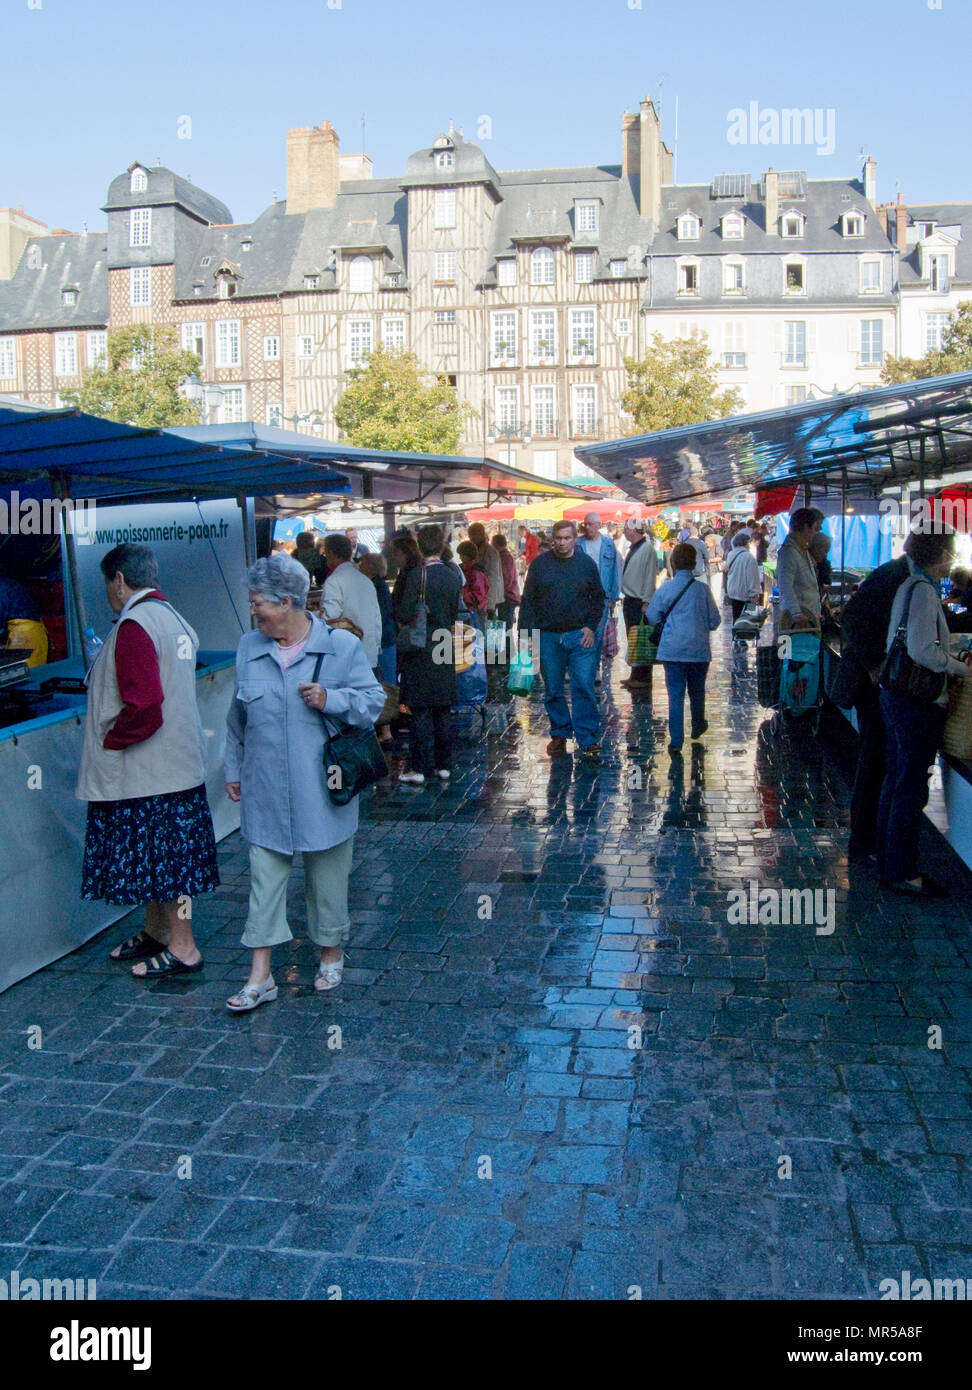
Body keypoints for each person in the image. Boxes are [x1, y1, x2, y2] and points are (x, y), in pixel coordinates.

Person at [224, 554, 384, 1009]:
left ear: (287, 602)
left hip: (324, 786)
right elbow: (236, 719)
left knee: (327, 875)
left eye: (259, 603)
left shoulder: (341, 647)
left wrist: (331, 698)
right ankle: (260, 975)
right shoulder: (248, 648)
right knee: (264, 878)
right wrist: (232, 770)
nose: (254, 610)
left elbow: (373, 703)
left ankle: (331, 951)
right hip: (265, 787)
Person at [78, 544, 217, 978]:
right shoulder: (173, 618)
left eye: (106, 583)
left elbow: (145, 705)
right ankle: (157, 932)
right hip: (174, 766)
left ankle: (183, 946)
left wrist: (111, 740)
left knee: (172, 866)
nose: (107, 592)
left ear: (119, 579)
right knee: (167, 862)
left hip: (150, 771)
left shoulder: (135, 625)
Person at [876, 530, 972, 898]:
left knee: (897, 779)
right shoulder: (924, 592)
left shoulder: (910, 587)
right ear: (940, 555)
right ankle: (901, 870)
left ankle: (889, 862)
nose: (952, 559)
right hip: (915, 703)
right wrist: (960, 669)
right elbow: (922, 651)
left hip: (897, 697)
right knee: (909, 787)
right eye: (950, 552)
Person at [836, 551, 910, 859]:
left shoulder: (898, 575)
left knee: (876, 759)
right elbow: (851, 618)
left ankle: (868, 838)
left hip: (877, 683)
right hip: (873, 686)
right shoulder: (895, 577)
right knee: (875, 759)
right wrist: (873, 664)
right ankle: (866, 840)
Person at [519, 520, 605, 758]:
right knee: (553, 689)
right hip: (548, 636)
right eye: (558, 538)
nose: (562, 543)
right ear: (553, 538)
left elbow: (598, 598)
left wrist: (590, 627)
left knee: (584, 686)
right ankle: (559, 733)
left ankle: (587, 738)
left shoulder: (586, 564)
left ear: (575, 539)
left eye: (567, 538)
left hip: (580, 636)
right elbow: (528, 601)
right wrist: (525, 636)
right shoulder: (539, 566)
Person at [394, 523, 461, 785]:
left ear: (420, 545)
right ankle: (444, 765)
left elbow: (403, 613)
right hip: (444, 641)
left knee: (420, 708)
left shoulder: (416, 576)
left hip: (421, 645)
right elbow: (455, 612)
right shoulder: (452, 574)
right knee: (442, 706)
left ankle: (419, 768)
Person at [645, 542, 722, 756]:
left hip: (672, 650)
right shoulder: (703, 590)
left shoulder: (665, 589)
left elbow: (651, 617)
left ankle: (676, 740)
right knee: (697, 691)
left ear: (672, 563)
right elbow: (715, 621)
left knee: (675, 695)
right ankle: (698, 724)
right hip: (698, 650)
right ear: (694, 563)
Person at [321, 534, 382, 670]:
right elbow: (377, 618)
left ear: (331, 553)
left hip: (346, 655)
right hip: (369, 653)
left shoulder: (334, 581)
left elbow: (330, 617)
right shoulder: (366, 580)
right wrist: (376, 646)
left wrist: (315, 616)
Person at [578, 512, 622, 675]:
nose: (587, 527)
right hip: (582, 595)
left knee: (598, 632)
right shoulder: (578, 544)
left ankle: (594, 666)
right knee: (582, 630)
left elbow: (614, 572)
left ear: (598, 525)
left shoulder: (608, 544)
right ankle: (585, 665)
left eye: (590, 524)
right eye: (585, 524)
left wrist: (614, 596)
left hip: (602, 594)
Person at [619, 517, 658, 691]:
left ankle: (643, 676)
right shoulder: (635, 547)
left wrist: (647, 600)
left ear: (634, 530)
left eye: (626, 529)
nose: (623, 532)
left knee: (640, 638)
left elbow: (650, 576)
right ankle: (635, 674)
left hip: (638, 601)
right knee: (634, 638)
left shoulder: (647, 548)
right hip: (630, 599)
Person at [776, 506, 825, 631]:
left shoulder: (802, 550)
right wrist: (796, 613)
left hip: (808, 618)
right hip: (798, 622)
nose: (815, 533)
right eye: (814, 528)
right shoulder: (789, 553)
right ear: (805, 527)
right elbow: (785, 586)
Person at [0, 572, 48, 666]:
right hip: (30, 632)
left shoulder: (3, 587)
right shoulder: (8, 584)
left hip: (25, 634)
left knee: (27, 673)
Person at [725, 531, 762, 627]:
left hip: (733, 590)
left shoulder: (730, 554)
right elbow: (752, 576)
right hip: (745, 593)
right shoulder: (749, 557)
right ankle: (743, 636)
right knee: (747, 618)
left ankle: (736, 636)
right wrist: (754, 593)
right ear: (746, 543)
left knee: (736, 616)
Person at [467, 522, 504, 618]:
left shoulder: (490, 552)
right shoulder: (477, 549)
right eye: (470, 536)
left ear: (481, 534)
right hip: (481, 598)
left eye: (473, 536)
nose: (471, 538)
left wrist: (489, 604)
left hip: (487, 599)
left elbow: (493, 578)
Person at [491, 532, 521, 630]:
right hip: (505, 597)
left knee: (505, 629)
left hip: (507, 597)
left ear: (495, 544)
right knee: (503, 628)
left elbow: (506, 580)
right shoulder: (503, 556)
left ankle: (508, 645)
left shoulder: (504, 558)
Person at [456, 539, 490, 626]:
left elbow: (478, 595)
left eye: (461, 555)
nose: (460, 558)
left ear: (468, 555)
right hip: (464, 610)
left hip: (475, 612)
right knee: (461, 638)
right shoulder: (462, 569)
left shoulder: (477, 572)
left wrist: (461, 596)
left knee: (474, 637)